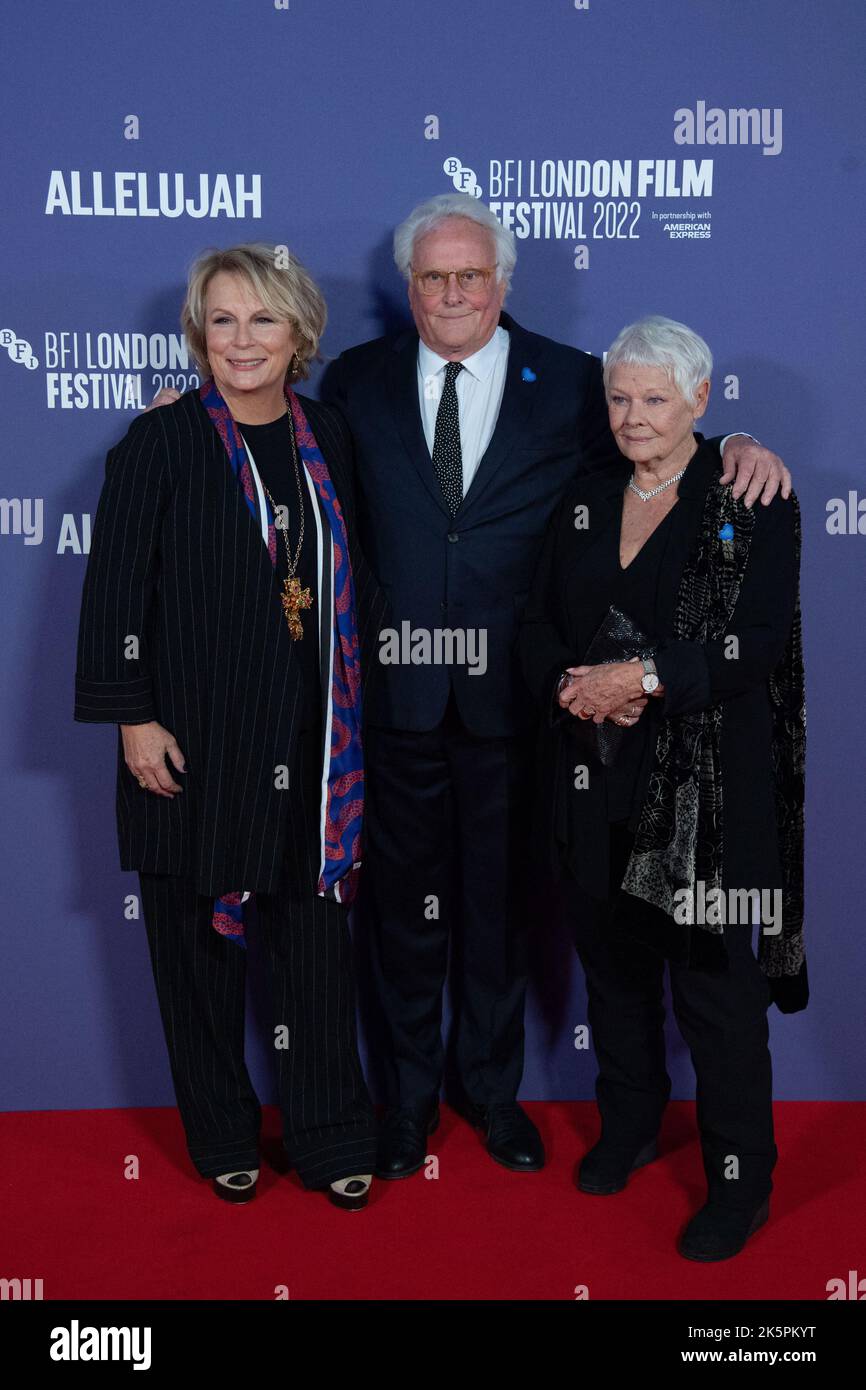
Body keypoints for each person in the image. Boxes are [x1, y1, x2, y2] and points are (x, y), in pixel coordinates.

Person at [322, 194, 793, 1182]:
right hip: (397, 700)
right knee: (403, 915)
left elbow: (659, 443)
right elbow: (289, 463)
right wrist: (184, 416)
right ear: (408, 288)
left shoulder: (575, 385)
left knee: (496, 914)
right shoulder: (355, 381)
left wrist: (741, 448)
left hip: (521, 704)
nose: (451, 294)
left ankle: (489, 1097)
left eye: (471, 276)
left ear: (502, 284)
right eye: (432, 278)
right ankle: (404, 1104)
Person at [74, 243, 386, 1210]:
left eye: (262, 320)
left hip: (308, 742)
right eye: (222, 321)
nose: (241, 341)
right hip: (190, 742)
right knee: (194, 952)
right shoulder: (158, 443)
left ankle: (333, 1134)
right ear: (198, 335)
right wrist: (132, 721)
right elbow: (114, 591)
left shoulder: (327, 434)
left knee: (315, 949)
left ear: (298, 333)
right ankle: (219, 1136)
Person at [518, 315, 806, 1260]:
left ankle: (739, 1182)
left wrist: (640, 681)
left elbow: (755, 647)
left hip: (706, 799)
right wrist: (576, 685)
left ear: (700, 400)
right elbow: (538, 626)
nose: (634, 417)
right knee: (615, 971)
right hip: (591, 775)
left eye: (654, 398)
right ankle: (631, 1128)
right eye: (619, 397)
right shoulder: (585, 496)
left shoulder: (746, 493)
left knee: (718, 999)